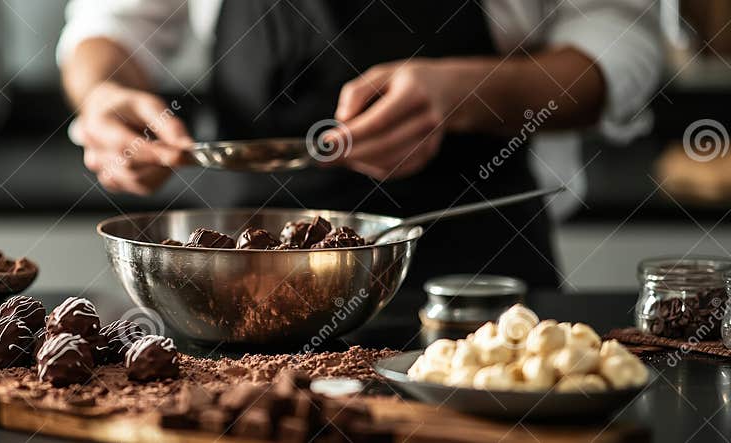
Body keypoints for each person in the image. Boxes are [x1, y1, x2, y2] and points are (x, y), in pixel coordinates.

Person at [57, 0, 661, 290]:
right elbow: (110, 25)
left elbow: (622, 33)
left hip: (474, 264)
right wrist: (105, 95)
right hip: (236, 281)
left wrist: (470, 91)